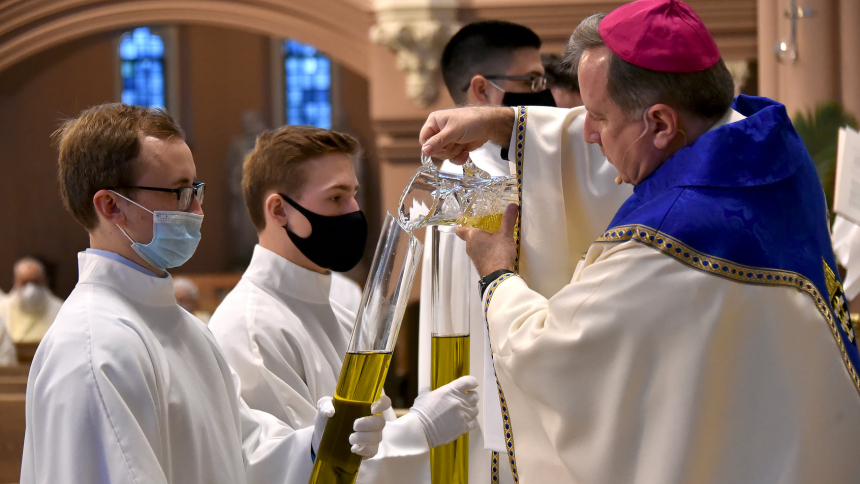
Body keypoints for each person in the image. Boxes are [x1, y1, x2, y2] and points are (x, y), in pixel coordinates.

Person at [418, 0, 860, 482]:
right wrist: (505, 124)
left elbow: (548, 351)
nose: (586, 134)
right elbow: (642, 141)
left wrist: (497, 272)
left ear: (662, 123)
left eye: (597, 117)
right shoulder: (771, 150)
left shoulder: (663, 244)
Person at [21, 103, 389, 484]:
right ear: (111, 205)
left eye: (196, 189)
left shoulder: (185, 328)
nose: (197, 209)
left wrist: (316, 444)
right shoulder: (95, 348)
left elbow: (244, 451)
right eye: (179, 192)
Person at [419, 20, 631, 483]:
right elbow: (456, 329)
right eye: (532, 82)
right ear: (482, 90)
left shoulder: (536, 165)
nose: (545, 95)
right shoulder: (467, 189)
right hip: (493, 430)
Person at [208, 125, 479, 484]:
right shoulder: (251, 328)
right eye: (336, 198)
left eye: (354, 195)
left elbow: (373, 427)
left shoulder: (335, 306)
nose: (354, 210)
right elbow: (299, 470)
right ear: (278, 210)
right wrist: (420, 430)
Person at [0, 257, 63, 343]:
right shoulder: (2, 310)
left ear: (45, 281)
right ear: (15, 282)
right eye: (24, 282)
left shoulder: (60, 309)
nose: (31, 289)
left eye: (35, 282)